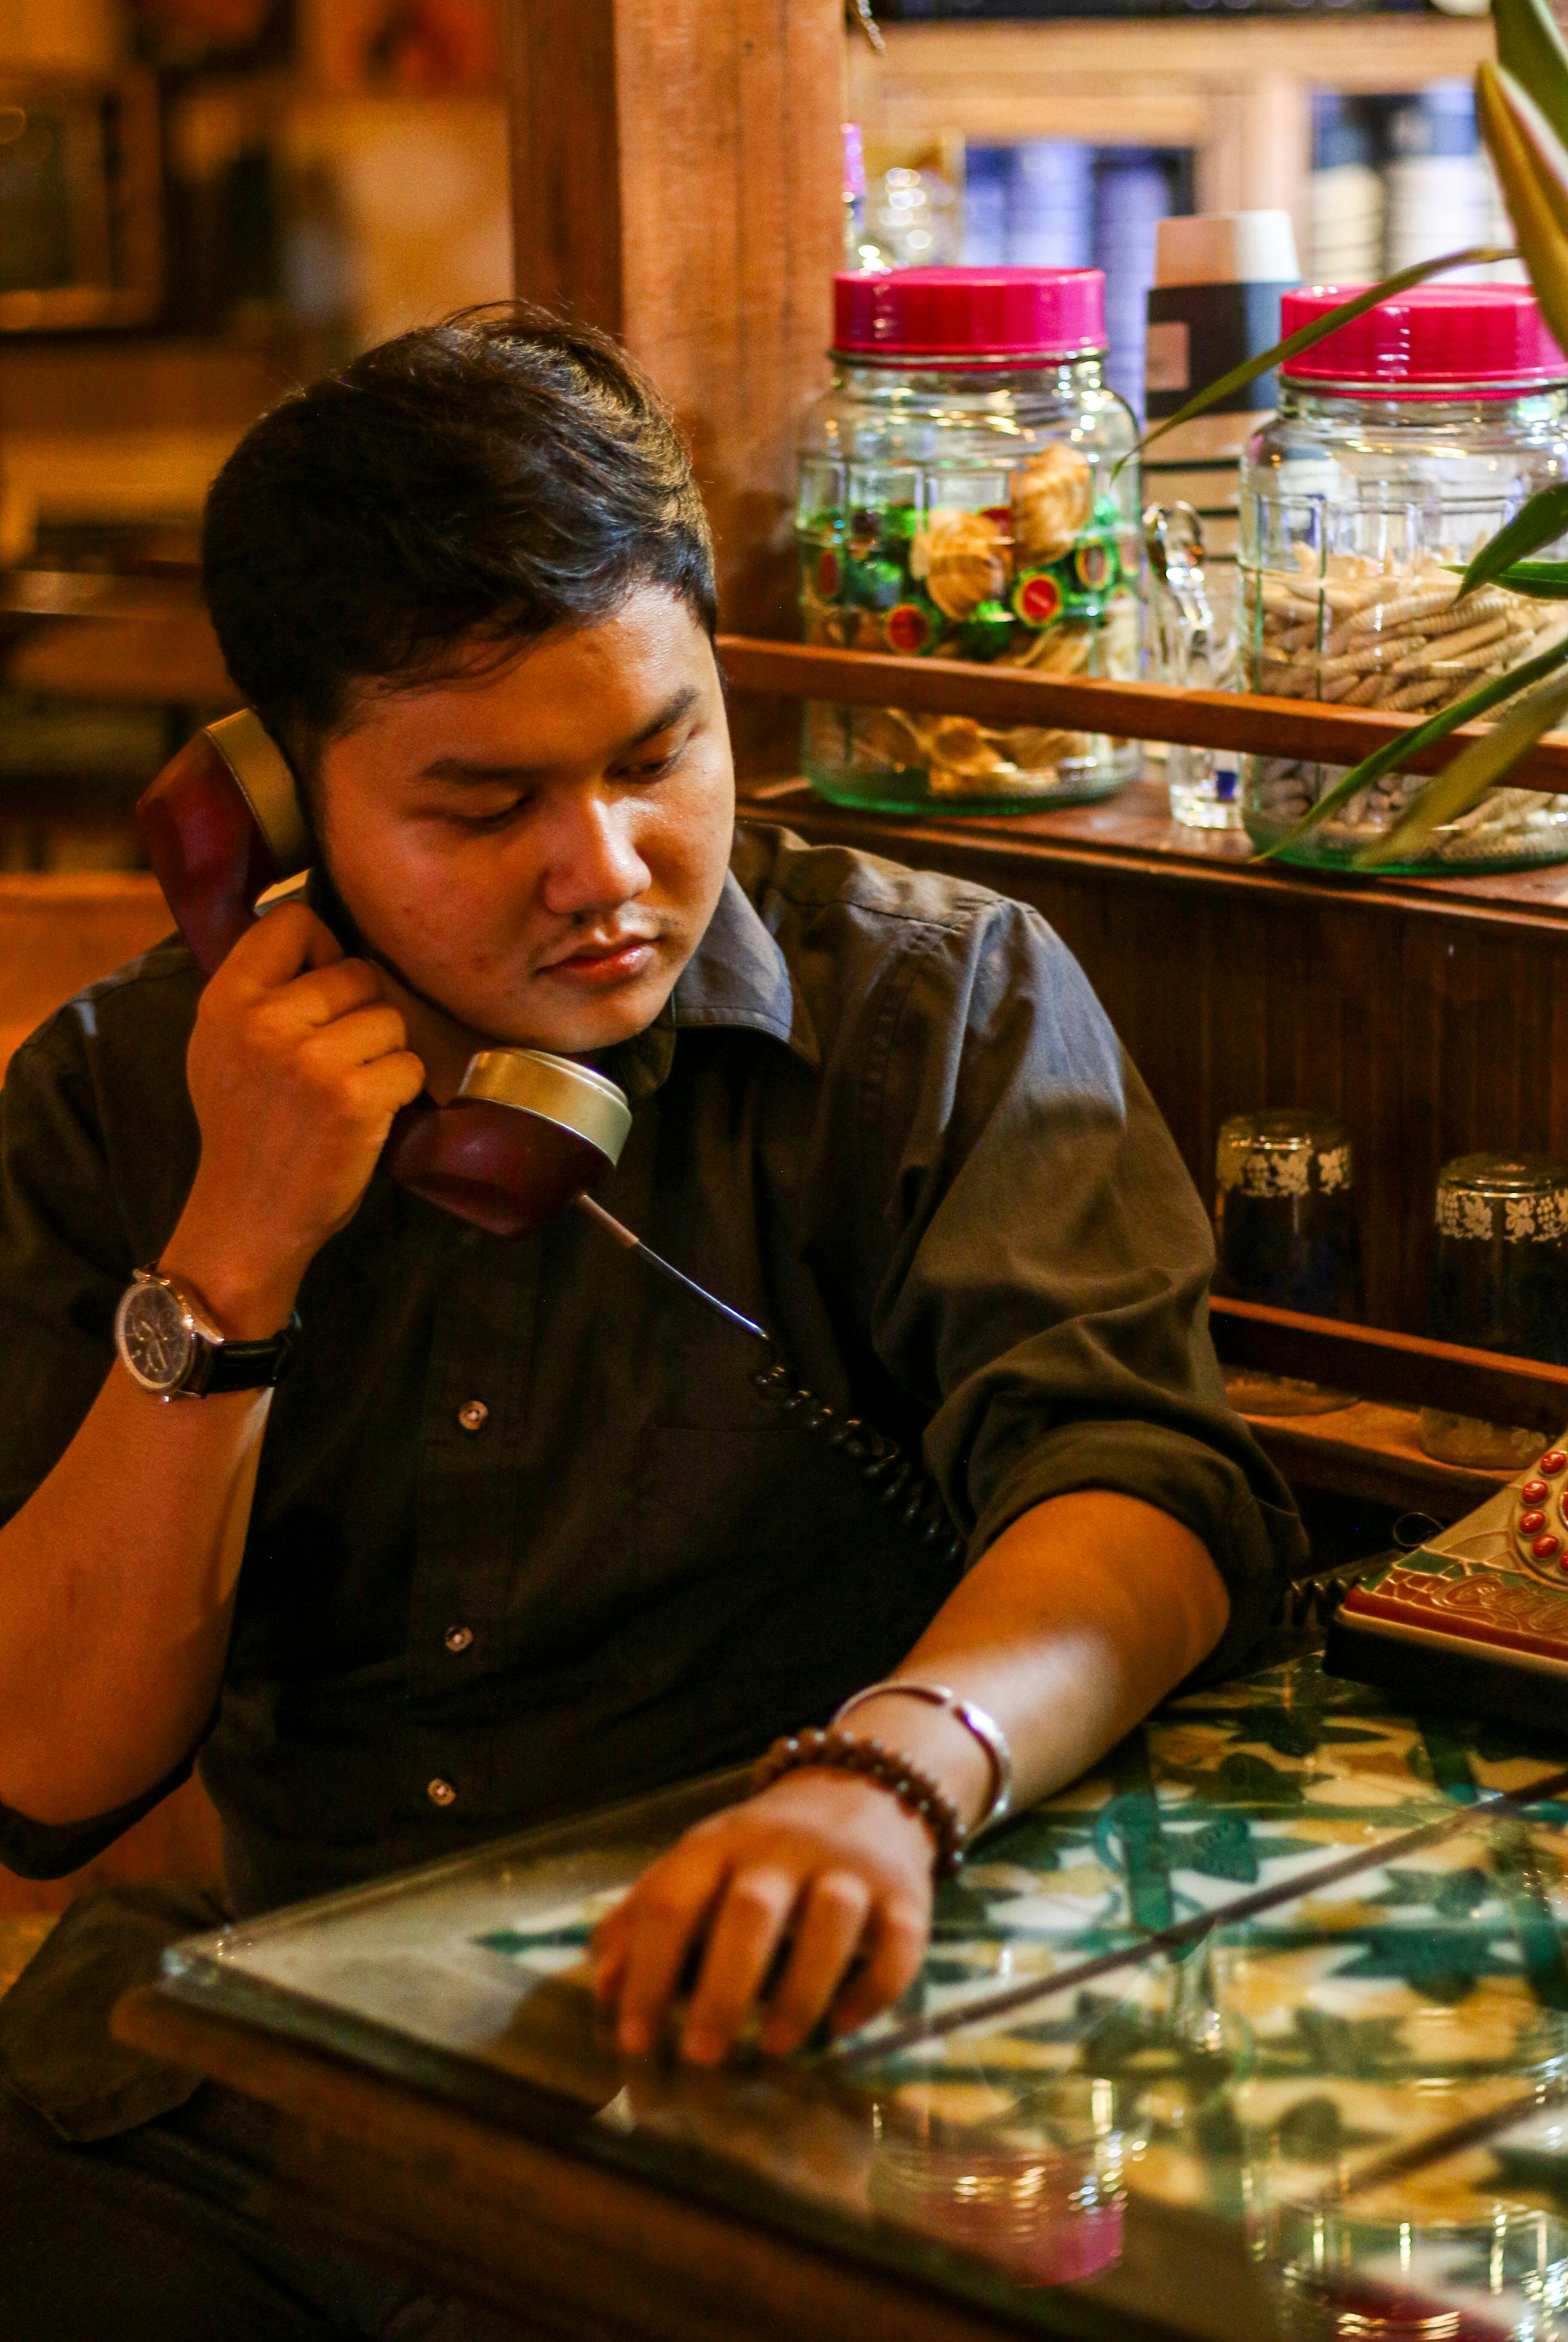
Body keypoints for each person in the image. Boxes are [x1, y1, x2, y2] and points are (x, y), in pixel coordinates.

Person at [0, 308, 1302, 2338]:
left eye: (653, 755)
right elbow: (47, 1771)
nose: (603, 874)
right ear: (264, 807)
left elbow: (1143, 1483)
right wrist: (235, 1253)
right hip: (262, 2069)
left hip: (779, 2064)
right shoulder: (108, 1094)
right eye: (481, 805)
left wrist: (889, 1776)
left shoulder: (934, 1010)